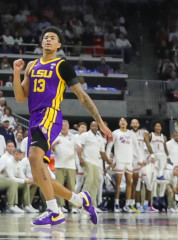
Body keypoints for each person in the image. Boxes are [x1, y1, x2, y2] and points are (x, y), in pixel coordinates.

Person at [12, 30, 111, 226]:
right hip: (34, 117)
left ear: (58, 45)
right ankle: (80, 200)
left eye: (53, 38)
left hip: (49, 114)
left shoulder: (62, 66)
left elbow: (82, 96)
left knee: (33, 157)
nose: (48, 40)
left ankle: (54, 211)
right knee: (41, 176)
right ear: (41, 42)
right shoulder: (31, 66)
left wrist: (99, 121)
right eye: (45, 37)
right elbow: (20, 96)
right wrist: (16, 73)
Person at [110, 117, 136, 212]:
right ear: (119, 123)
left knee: (130, 183)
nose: (122, 122)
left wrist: (139, 159)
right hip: (119, 160)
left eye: (124, 120)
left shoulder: (131, 134)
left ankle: (127, 205)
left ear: (127, 123)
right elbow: (109, 146)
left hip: (129, 161)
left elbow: (136, 147)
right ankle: (116, 204)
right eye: (120, 120)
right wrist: (111, 160)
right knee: (118, 184)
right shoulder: (115, 133)